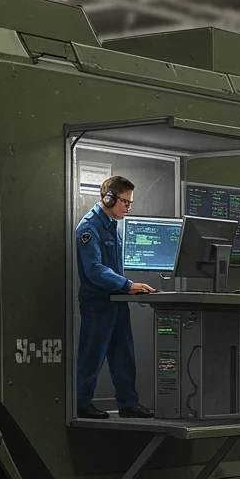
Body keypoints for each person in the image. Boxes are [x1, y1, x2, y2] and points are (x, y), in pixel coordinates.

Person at [74, 176, 156, 419]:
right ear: (108, 198)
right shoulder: (88, 228)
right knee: (92, 354)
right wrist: (127, 285)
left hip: (117, 301)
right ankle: (81, 403)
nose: (128, 207)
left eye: (131, 203)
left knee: (123, 354)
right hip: (98, 303)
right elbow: (95, 270)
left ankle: (128, 402)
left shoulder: (112, 225)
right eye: (125, 202)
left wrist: (125, 288)